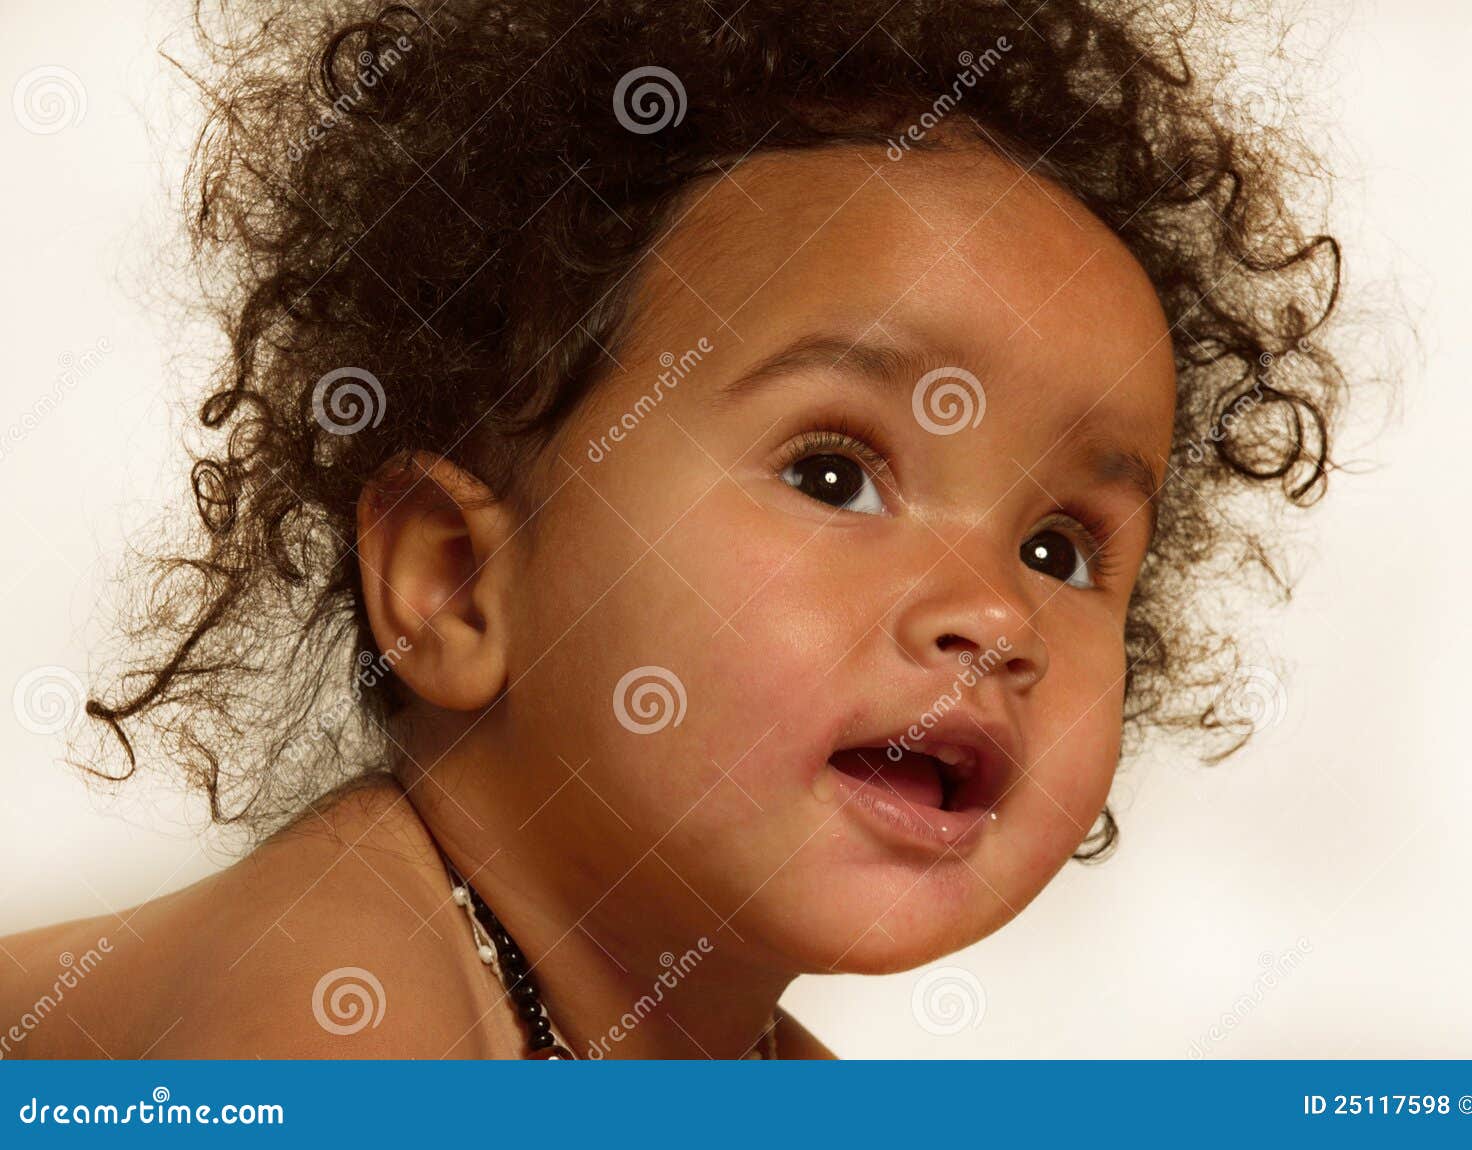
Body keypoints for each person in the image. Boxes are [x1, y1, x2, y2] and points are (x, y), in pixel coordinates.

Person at [1, 0, 1349, 1059]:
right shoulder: (335, 998)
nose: (994, 616)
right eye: (833, 475)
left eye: (1061, 548)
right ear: (460, 581)